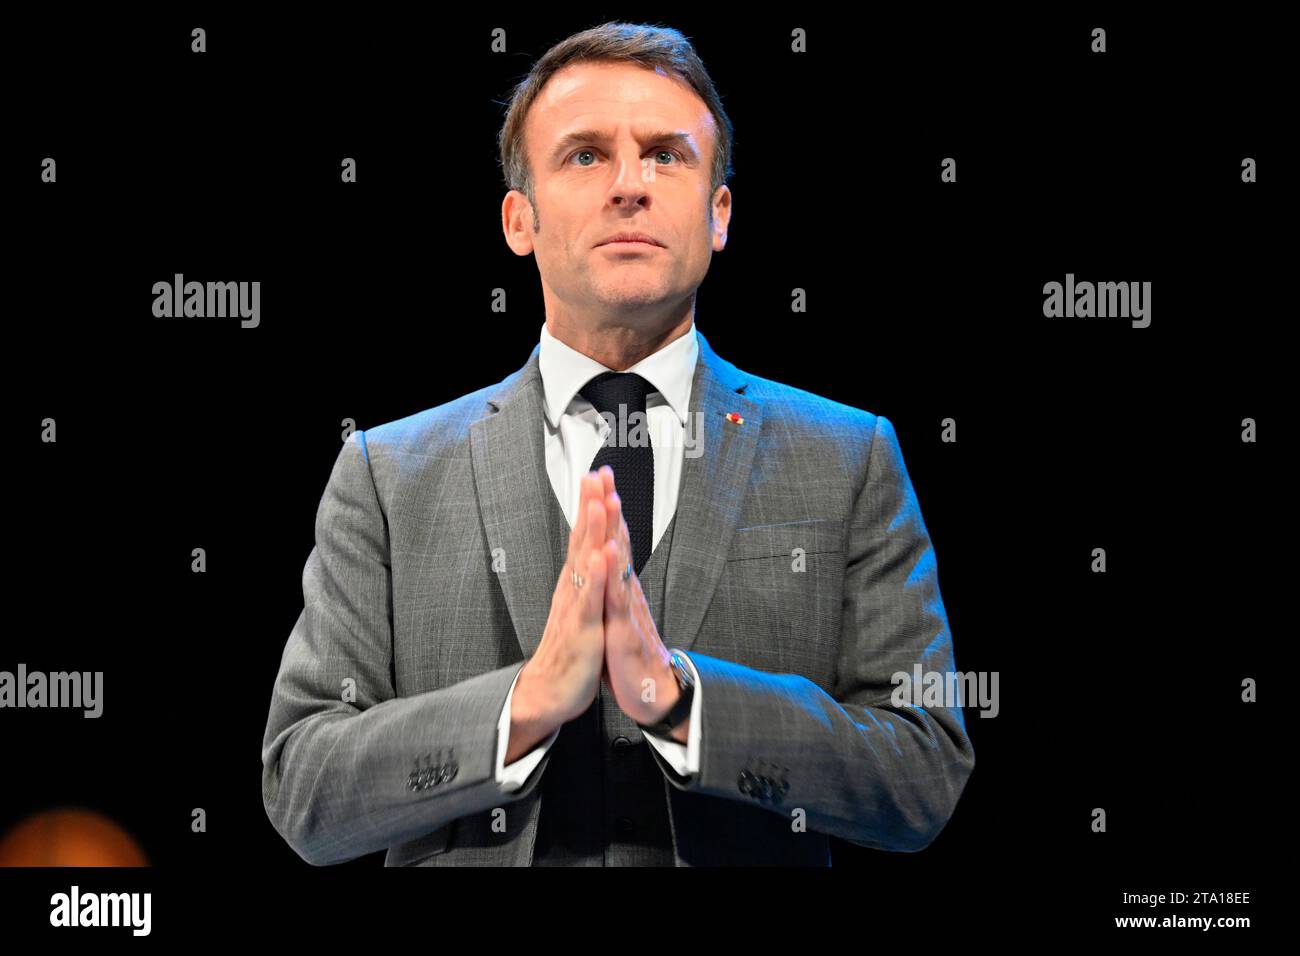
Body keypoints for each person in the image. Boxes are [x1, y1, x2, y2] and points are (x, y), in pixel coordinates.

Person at [261, 21, 974, 867]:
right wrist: (521, 706)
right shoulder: (387, 474)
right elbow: (302, 785)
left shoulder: (849, 457)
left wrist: (683, 705)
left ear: (720, 215)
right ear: (517, 219)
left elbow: (924, 769)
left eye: (667, 155)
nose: (630, 185)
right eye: (586, 155)